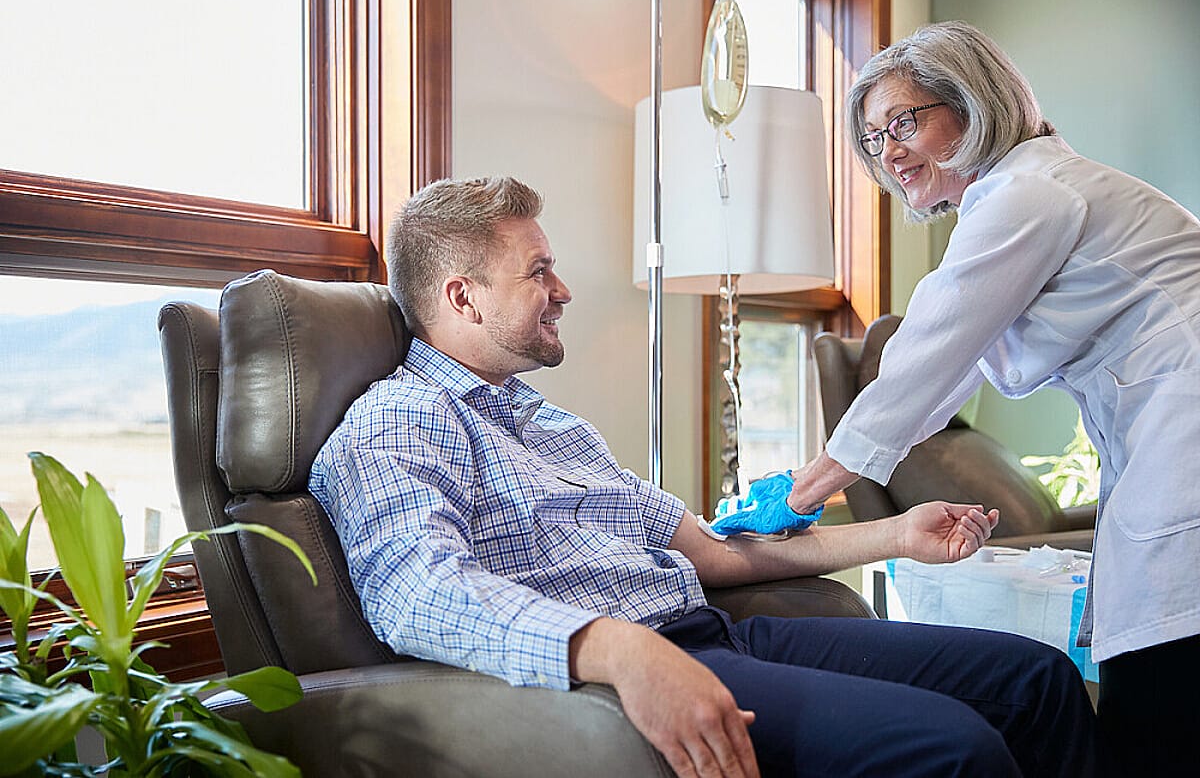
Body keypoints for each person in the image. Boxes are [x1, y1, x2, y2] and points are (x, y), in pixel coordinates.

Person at [309, 175, 1099, 778]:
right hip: (627, 674)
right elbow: (419, 594)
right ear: (462, 297)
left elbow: (710, 549)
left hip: (716, 631)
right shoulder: (398, 421)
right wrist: (618, 650)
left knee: (1039, 679)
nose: (564, 289)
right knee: (955, 750)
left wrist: (895, 533)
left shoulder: (547, 421)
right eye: (539, 270)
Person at [784, 21, 1200, 777]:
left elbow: (928, 351)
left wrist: (802, 490)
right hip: (1163, 427)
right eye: (874, 139)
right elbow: (953, 366)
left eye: (905, 121)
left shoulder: (1026, 193)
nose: (890, 151)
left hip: (1186, 425)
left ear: (972, 108)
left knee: (1166, 688)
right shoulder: (1019, 198)